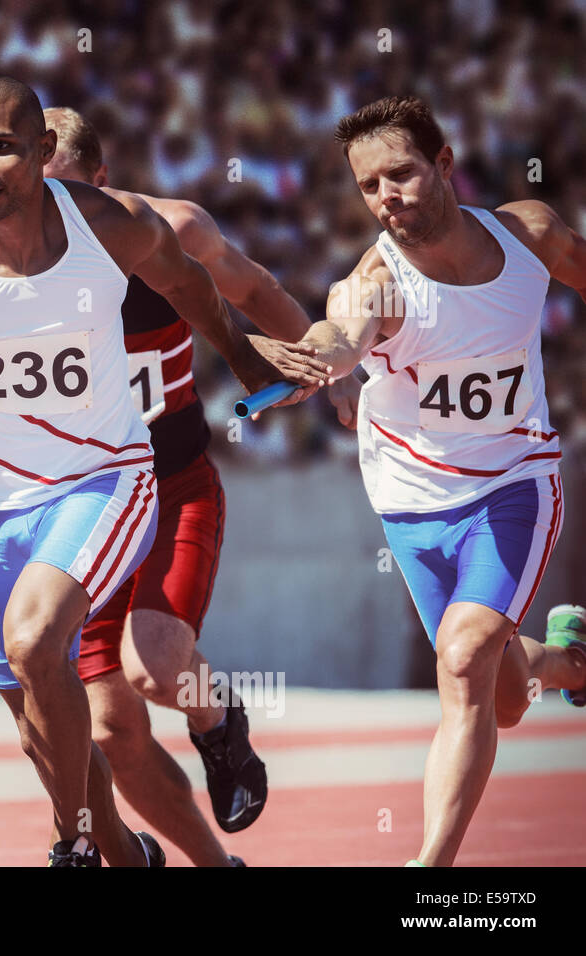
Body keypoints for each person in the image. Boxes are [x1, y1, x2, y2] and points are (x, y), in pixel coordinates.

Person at [0, 76, 327, 866]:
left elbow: (233, 291)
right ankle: (171, 858)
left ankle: (125, 799)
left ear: (62, 165)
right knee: (88, 729)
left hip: (144, 478)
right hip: (2, 506)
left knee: (140, 662)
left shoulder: (140, 230)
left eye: (2, 149)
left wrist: (267, 358)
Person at [39, 106, 359, 864]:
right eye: (35, 203)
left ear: (102, 184)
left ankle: (217, 725)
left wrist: (333, 370)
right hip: (82, 507)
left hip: (172, 485)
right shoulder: (0, 252)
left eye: (67, 200)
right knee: (111, 732)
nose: (51, 227)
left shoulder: (174, 231)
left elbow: (253, 289)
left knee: (153, 666)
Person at [277, 94, 586, 866]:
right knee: (504, 695)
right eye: (369, 186)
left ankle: (430, 869)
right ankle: (572, 660)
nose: (388, 197)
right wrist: (322, 363)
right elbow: (339, 335)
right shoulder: (374, 283)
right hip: (413, 506)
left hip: (516, 483)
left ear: (444, 165)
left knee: (462, 657)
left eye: (402, 175)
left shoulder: (530, 236)